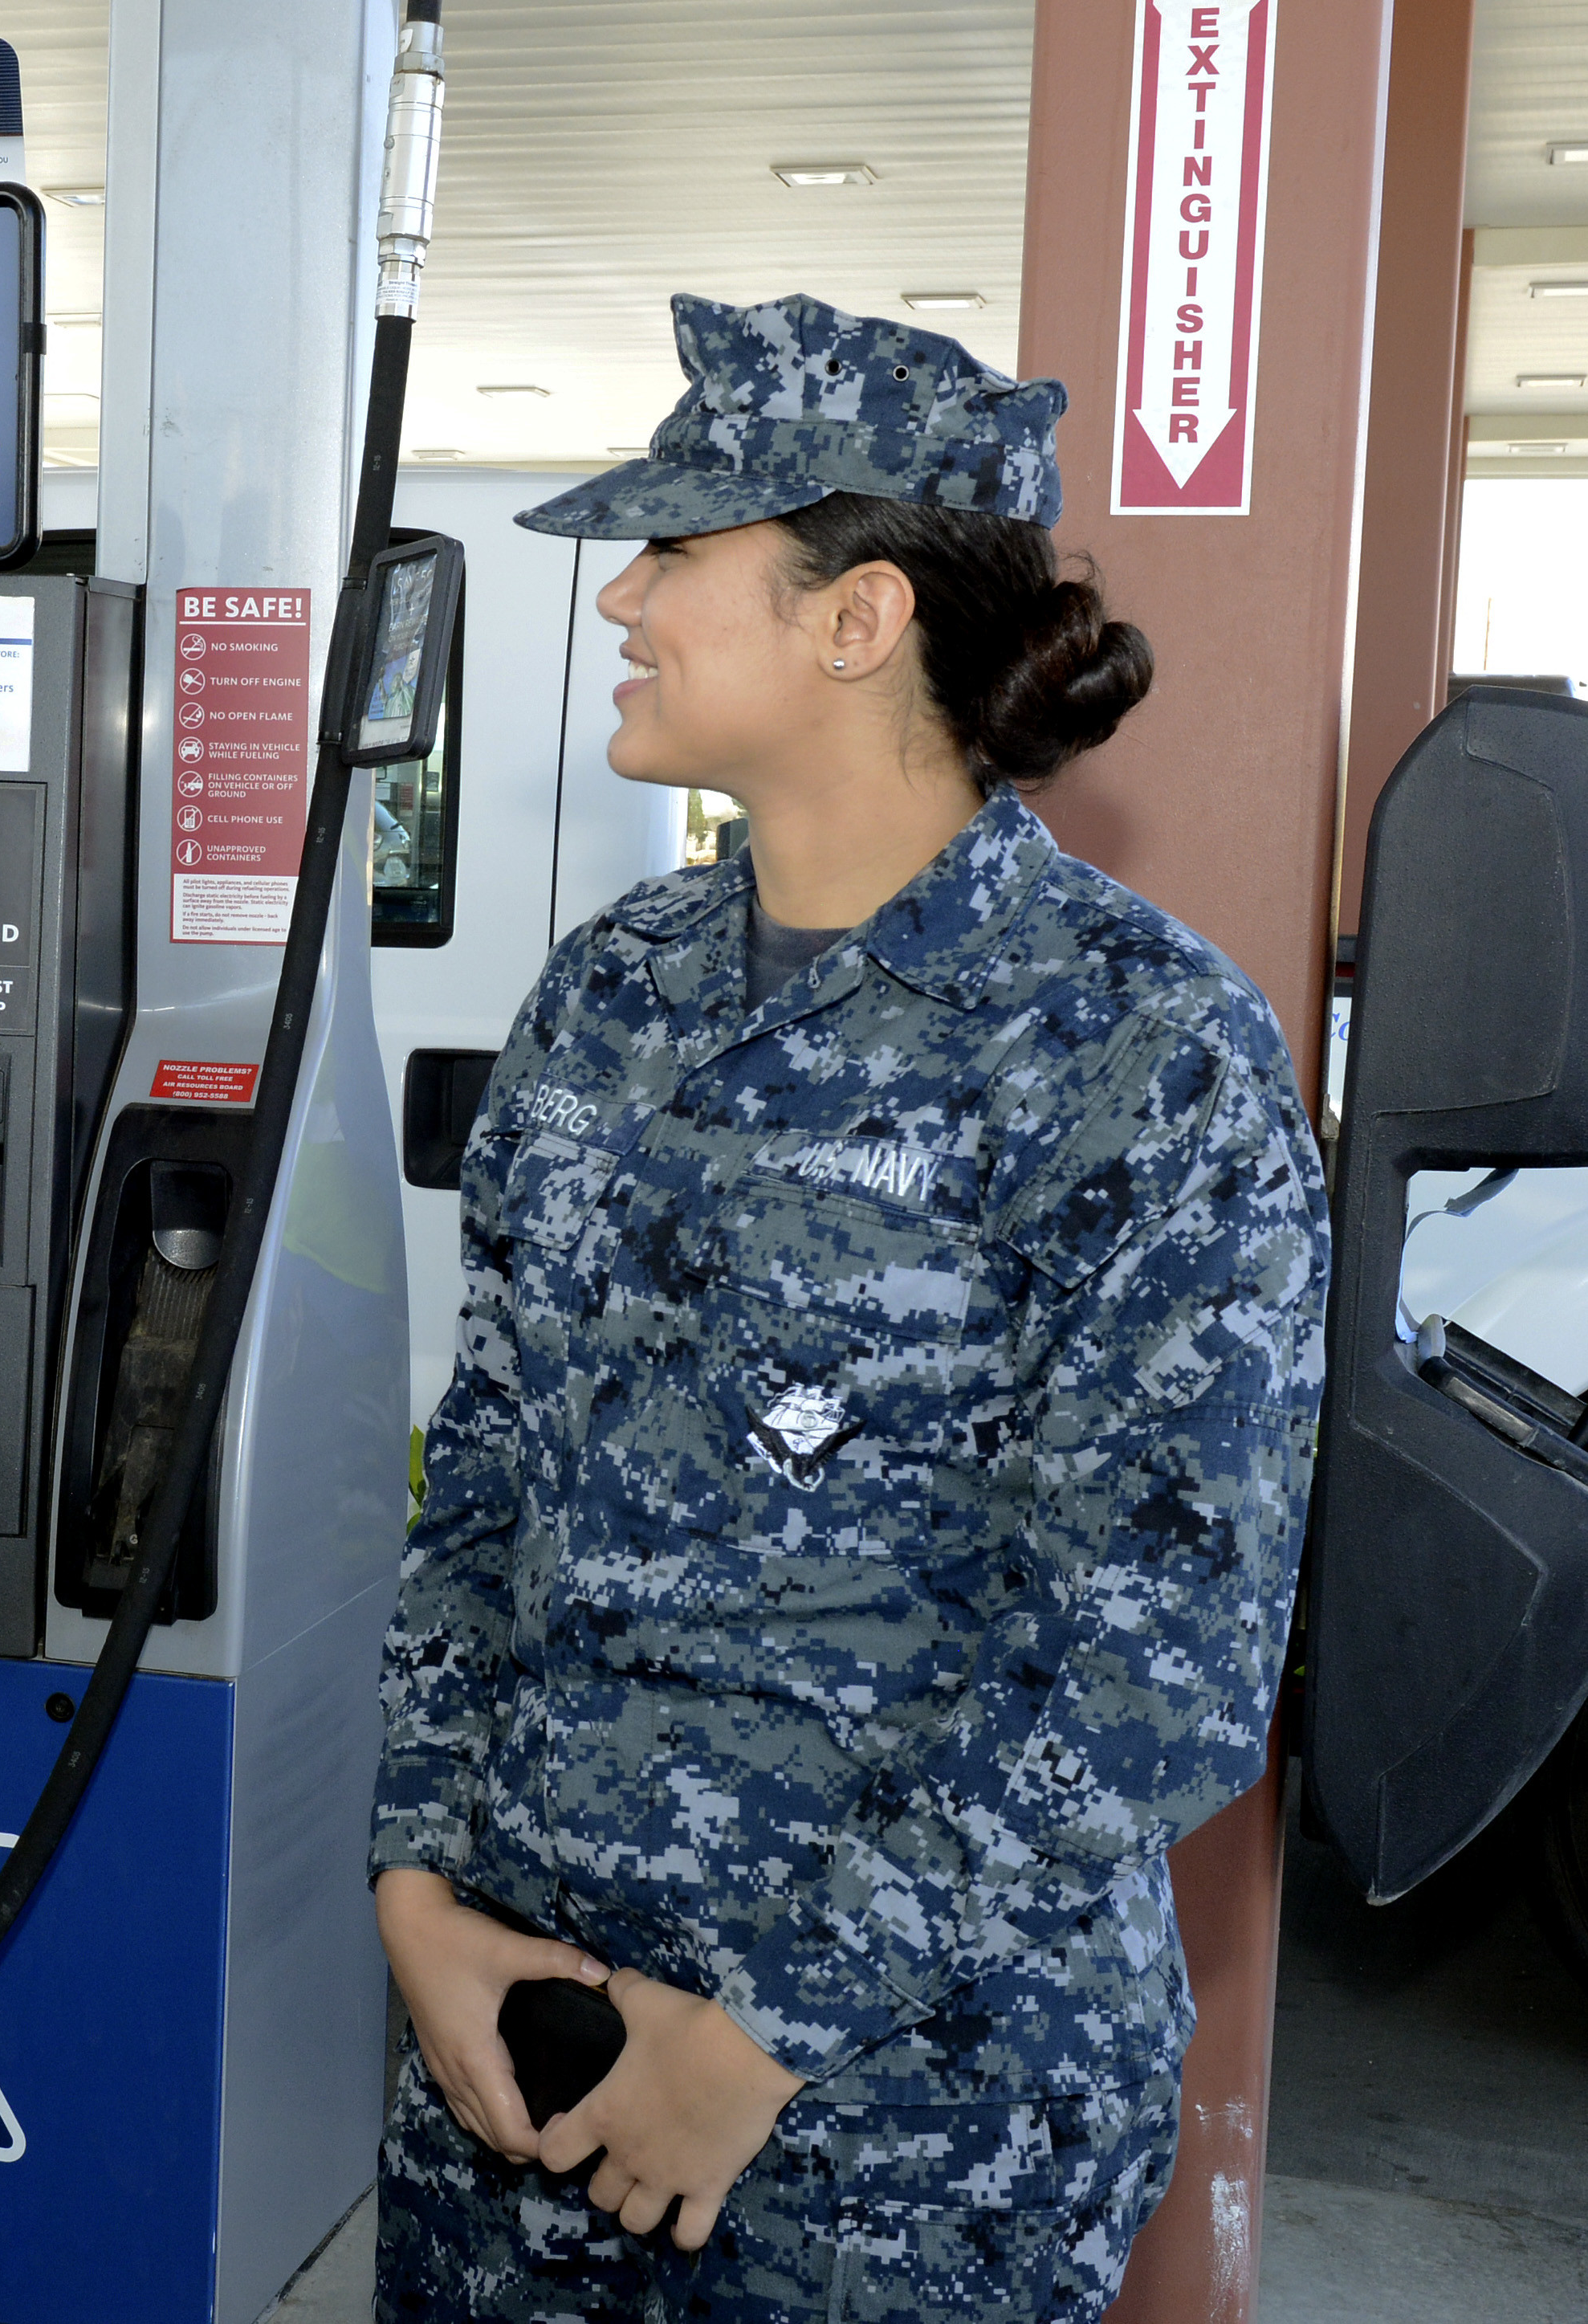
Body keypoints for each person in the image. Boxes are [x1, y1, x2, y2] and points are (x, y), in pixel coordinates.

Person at [371, 292, 1329, 2322]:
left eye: (676, 550)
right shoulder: (605, 994)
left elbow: (1151, 1662)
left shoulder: (1136, 1051)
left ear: (851, 617)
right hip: (513, 2062)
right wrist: (416, 1894)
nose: (617, 592)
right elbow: (477, 1488)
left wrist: (752, 2042)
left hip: (898, 2126)